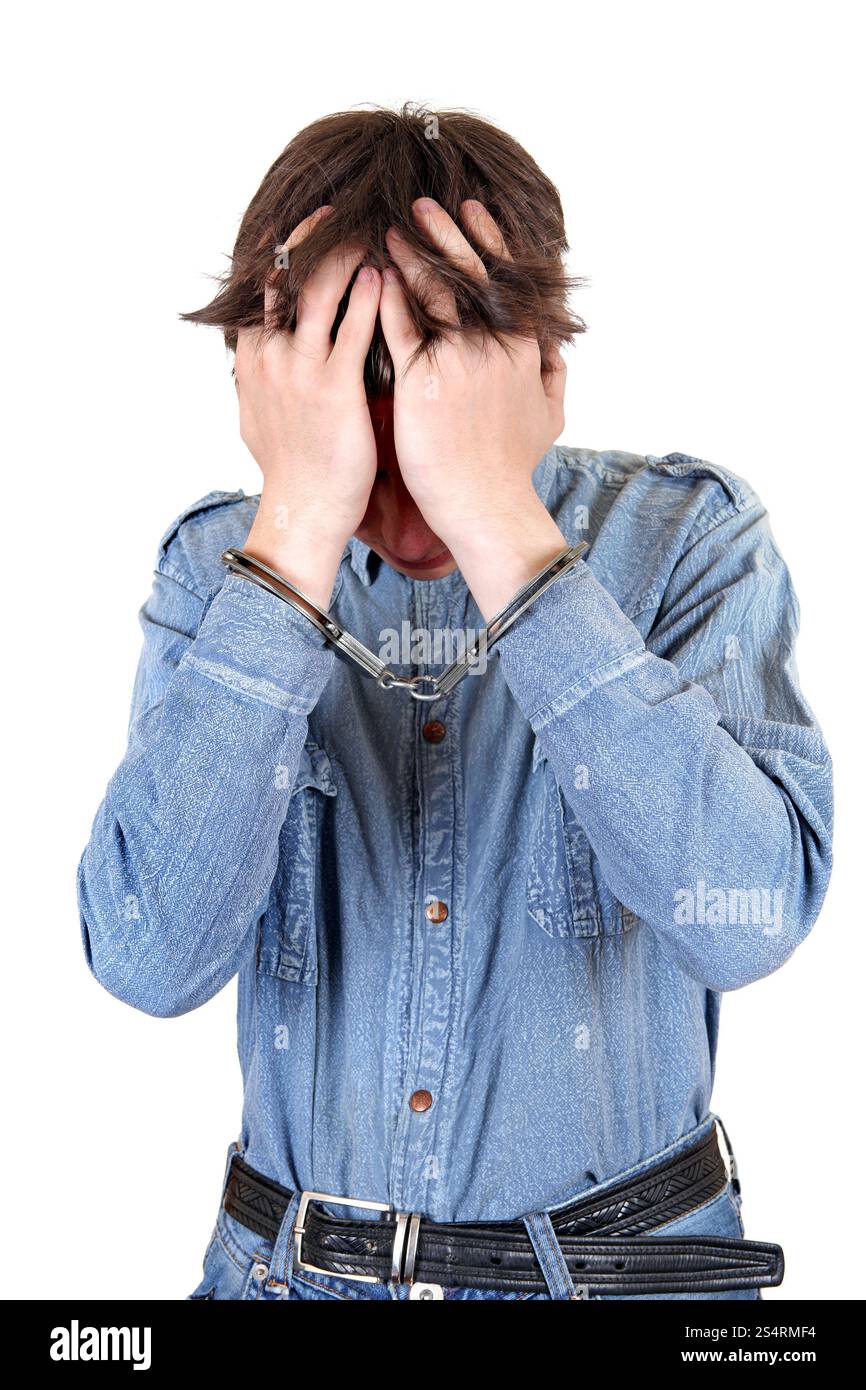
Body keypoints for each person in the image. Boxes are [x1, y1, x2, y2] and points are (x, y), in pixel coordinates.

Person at [77, 104, 833, 1301]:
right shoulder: (219, 569)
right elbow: (144, 958)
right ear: (263, 379)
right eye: (349, 378)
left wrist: (500, 522)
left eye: (441, 367)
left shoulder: (687, 539)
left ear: (537, 365)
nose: (402, 451)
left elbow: (742, 921)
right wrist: (292, 542)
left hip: (628, 1280)